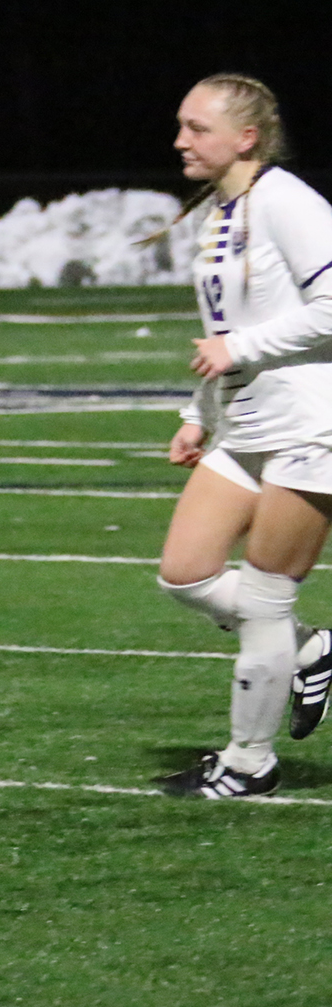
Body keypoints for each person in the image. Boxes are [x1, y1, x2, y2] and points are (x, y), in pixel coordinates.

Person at [152, 74, 332, 798]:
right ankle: (310, 649)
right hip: (245, 423)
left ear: (246, 138)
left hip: (314, 422)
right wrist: (199, 414)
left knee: (261, 602)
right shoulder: (217, 214)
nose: (180, 141)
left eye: (196, 128)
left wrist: (242, 350)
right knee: (185, 572)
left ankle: (249, 762)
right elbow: (225, 338)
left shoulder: (287, 201)